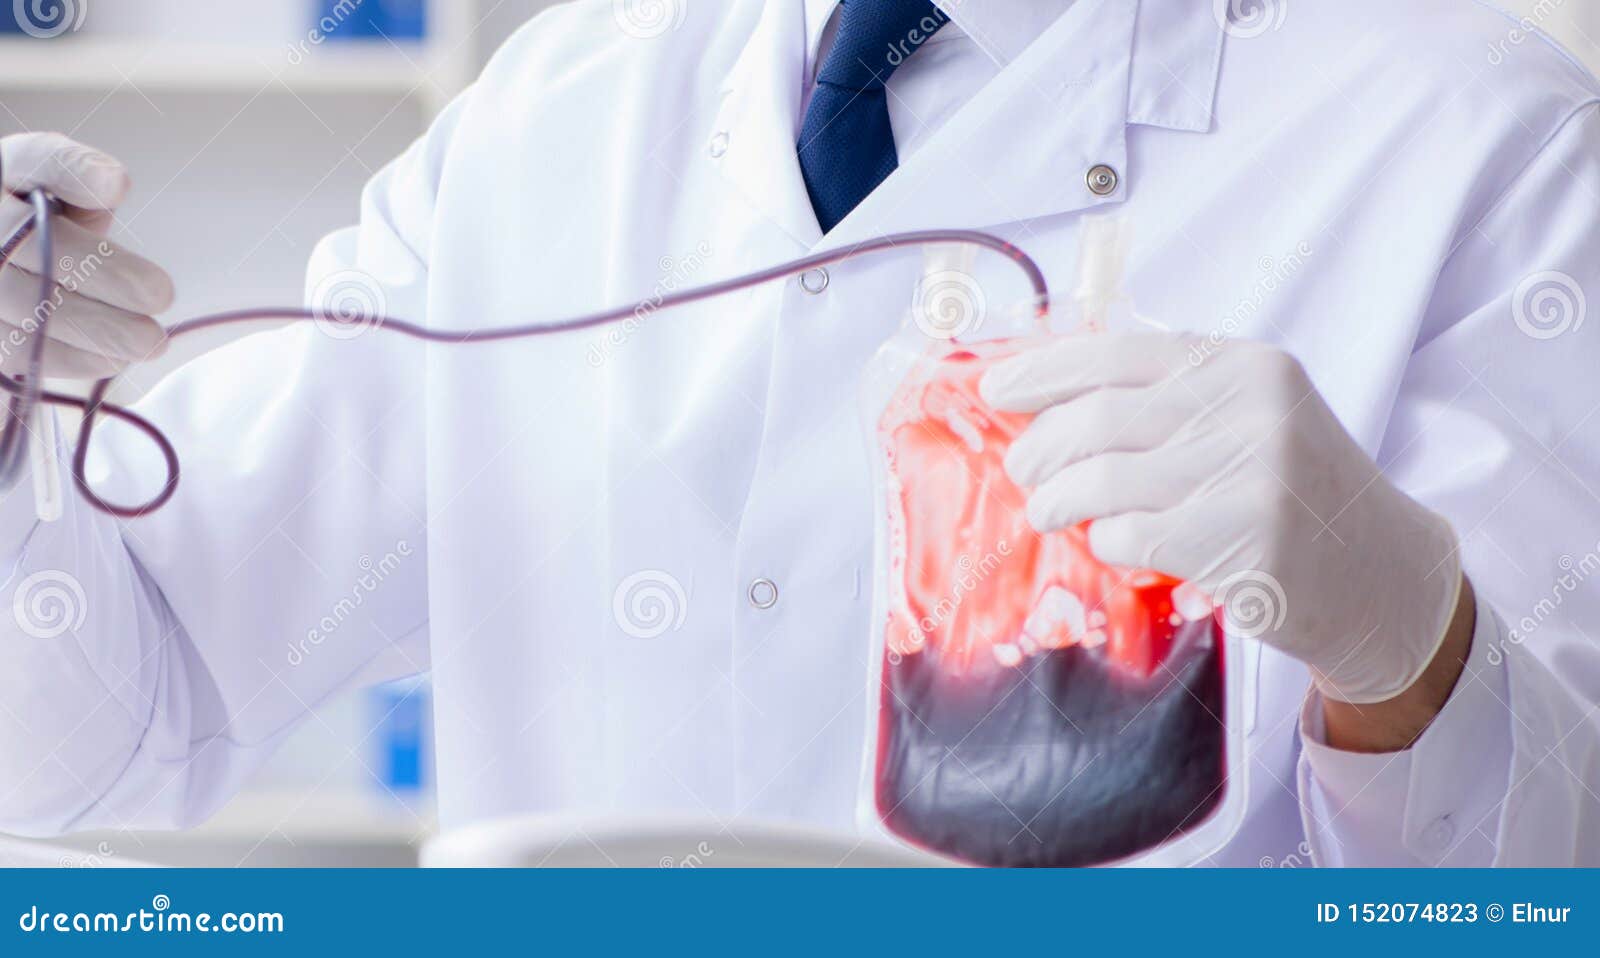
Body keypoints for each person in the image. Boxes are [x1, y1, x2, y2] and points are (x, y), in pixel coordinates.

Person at [0, 0, 1596, 866]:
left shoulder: (1479, 135)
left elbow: (1520, 896)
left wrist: (1414, 651)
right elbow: (98, 736)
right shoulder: (562, 100)